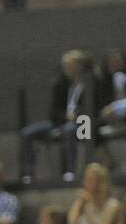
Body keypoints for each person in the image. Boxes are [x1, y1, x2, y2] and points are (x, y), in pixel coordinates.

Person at [20, 49, 95, 184]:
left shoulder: (91, 83)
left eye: (69, 65)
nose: (66, 69)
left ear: (79, 66)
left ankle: (69, 171)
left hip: (84, 123)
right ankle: (28, 173)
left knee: (69, 130)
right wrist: (65, 117)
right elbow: (53, 111)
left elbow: (93, 107)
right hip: (60, 121)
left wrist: (76, 115)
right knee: (27, 133)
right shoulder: (61, 85)